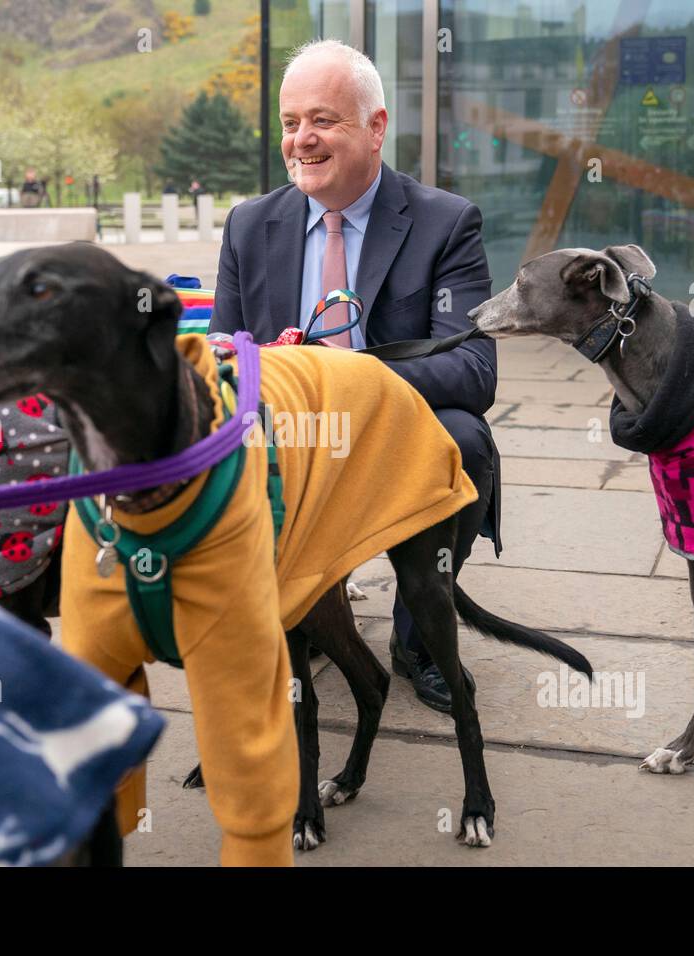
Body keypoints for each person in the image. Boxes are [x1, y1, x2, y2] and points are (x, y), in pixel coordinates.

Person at [209, 39, 500, 713]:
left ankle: (418, 637)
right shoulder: (250, 225)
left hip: (395, 426)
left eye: (322, 120)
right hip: (286, 433)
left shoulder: (446, 222)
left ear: (375, 127)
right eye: (289, 124)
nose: (301, 141)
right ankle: (306, 612)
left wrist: (346, 381)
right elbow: (227, 353)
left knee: (468, 437)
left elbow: (474, 370)